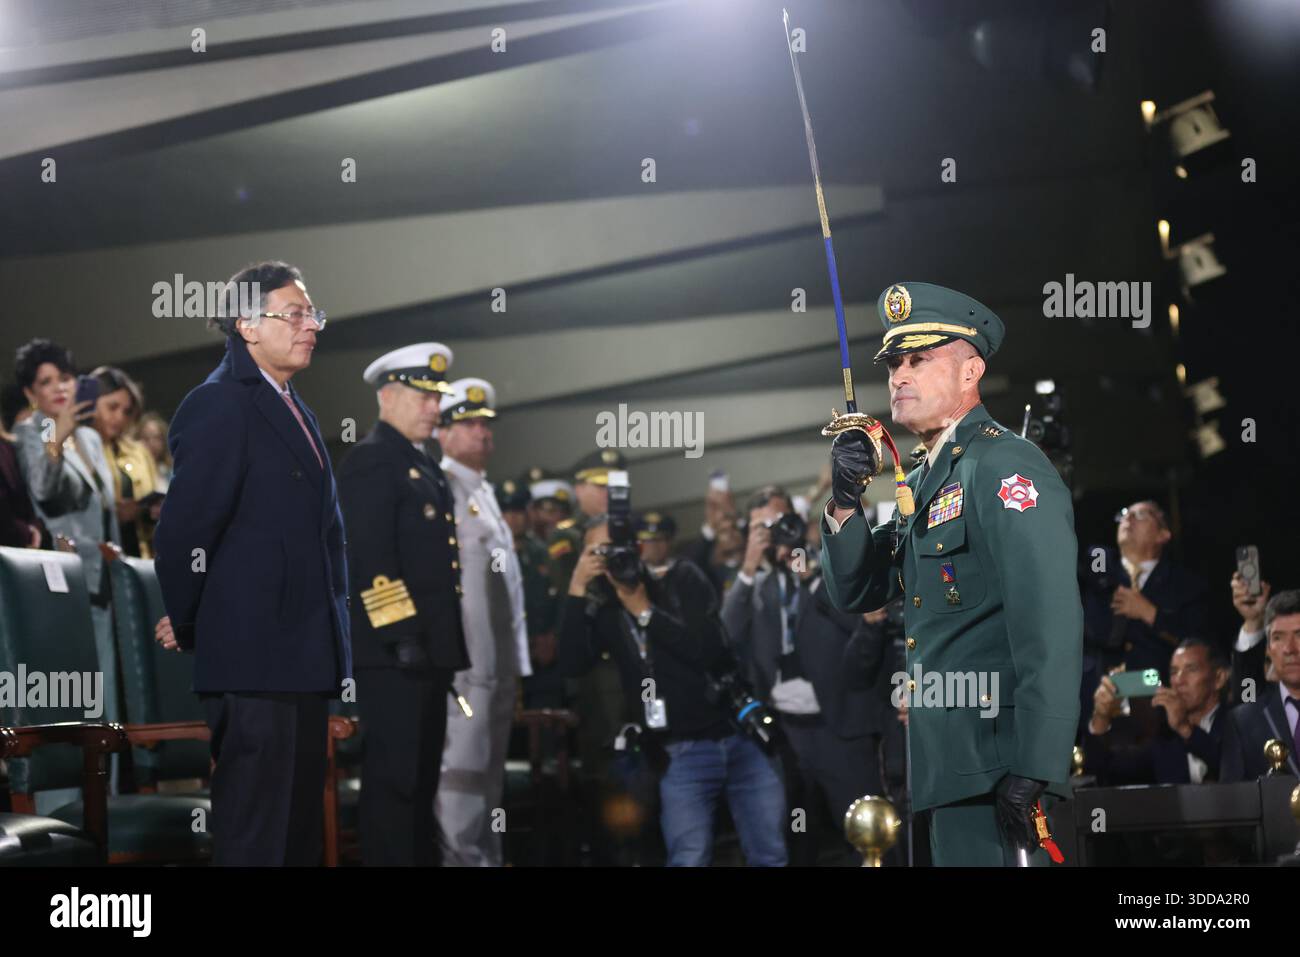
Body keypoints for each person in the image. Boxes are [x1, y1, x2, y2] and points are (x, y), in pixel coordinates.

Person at [820, 282, 1082, 866]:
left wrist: (1037, 764)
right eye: (893, 364)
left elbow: (1050, 624)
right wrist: (844, 500)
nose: (899, 377)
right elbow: (856, 588)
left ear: (971, 373)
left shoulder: (1003, 464)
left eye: (919, 359)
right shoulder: (921, 481)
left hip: (1000, 768)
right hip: (948, 769)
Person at [153, 261, 351, 865]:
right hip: (254, 656)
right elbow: (185, 529)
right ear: (246, 324)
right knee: (255, 836)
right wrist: (193, 621)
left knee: (295, 837)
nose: (310, 326)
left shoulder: (297, 408)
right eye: (294, 314)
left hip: (304, 655)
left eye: (312, 314)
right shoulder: (219, 403)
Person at [559, 516, 787, 866]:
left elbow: (706, 650)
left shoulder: (682, 579)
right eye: (600, 551)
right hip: (680, 753)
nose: (613, 556)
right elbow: (573, 664)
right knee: (689, 858)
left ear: (636, 547)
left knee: (770, 855)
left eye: (618, 547)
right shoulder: (604, 607)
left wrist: (646, 613)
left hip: (739, 737)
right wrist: (576, 588)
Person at [336, 343, 469, 866]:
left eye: (436, 397)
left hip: (427, 651)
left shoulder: (421, 464)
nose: (434, 407)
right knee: (395, 784)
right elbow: (372, 561)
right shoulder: (372, 461)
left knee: (420, 783)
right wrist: (402, 634)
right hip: (395, 655)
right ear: (387, 396)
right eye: (422, 396)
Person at [722, 485, 882, 865]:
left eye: (782, 523)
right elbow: (726, 635)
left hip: (837, 727)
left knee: (865, 833)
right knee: (796, 837)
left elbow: (860, 621)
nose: (777, 534)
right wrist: (748, 564)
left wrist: (809, 573)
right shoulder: (756, 586)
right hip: (784, 736)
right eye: (764, 528)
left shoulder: (828, 571)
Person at [434, 377, 531, 867]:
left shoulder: (485, 491)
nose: (481, 433)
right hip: (468, 666)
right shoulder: (444, 487)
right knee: (462, 780)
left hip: (497, 666)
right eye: (468, 424)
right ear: (443, 433)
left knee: (489, 781)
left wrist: (518, 665)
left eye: (485, 425)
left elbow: (509, 593)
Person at [12, 339, 123, 723]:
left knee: (107, 701)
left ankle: (105, 785)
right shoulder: (35, 431)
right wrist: (56, 438)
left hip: (105, 580)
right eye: (46, 382)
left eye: (65, 378)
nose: (59, 387)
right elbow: (43, 491)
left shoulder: (90, 437)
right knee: (76, 699)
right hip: (66, 581)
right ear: (30, 393)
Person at [1080, 501, 1208, 696]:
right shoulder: (1095, 568)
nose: (1127, 518)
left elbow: (1199, 643)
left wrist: (1151, 613)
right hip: (1093, 701)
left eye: (1140, 515)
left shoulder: (1185, 585)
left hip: (1156, 702)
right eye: (1123, 514)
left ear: (1162, 534)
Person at [1084, 638, 1227, 785]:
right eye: (1174, 672)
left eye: (1191, 669)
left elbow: (1232, 765)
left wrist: (1185, 729)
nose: (1178, 680)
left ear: (1219, 678)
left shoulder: (1239, 722)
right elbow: (1106, 772)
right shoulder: (1165, 740)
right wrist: (1101, 717)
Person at [499, 477, 564, 710]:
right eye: (506, 511)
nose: (513, 518)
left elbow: (557, 596)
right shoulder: (495, 553)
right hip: (510, 651)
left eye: (518, 510)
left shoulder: (541, 550)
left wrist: (551, 636)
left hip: (545, 651)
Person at [1221, 589, 1300, 780]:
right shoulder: (1246, 720)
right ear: (1268, 650)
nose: (1289, 649)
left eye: (1299, 635)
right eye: (1278, 638)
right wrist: (1253, 622)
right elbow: (1234, 801)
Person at [90, 366, 162, 558]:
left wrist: (153, 510)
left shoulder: (138, 452)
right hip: (101, 554)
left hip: (143, 552)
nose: (120, 417)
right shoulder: (80, 449)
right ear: (91, 403)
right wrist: (115, 514)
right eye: (112, 407)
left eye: (127, 411)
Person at [0, 383, 44, 549]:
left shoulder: (7, 446)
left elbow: (28, 496)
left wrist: (34, 529)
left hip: (23, 549)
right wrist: (26, 532)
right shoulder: (24, 434)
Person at [136, 411, 172, 492]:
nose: (152, 444)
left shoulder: (170, 474)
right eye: (146, 438)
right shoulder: (132, 473)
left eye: (157, 438)